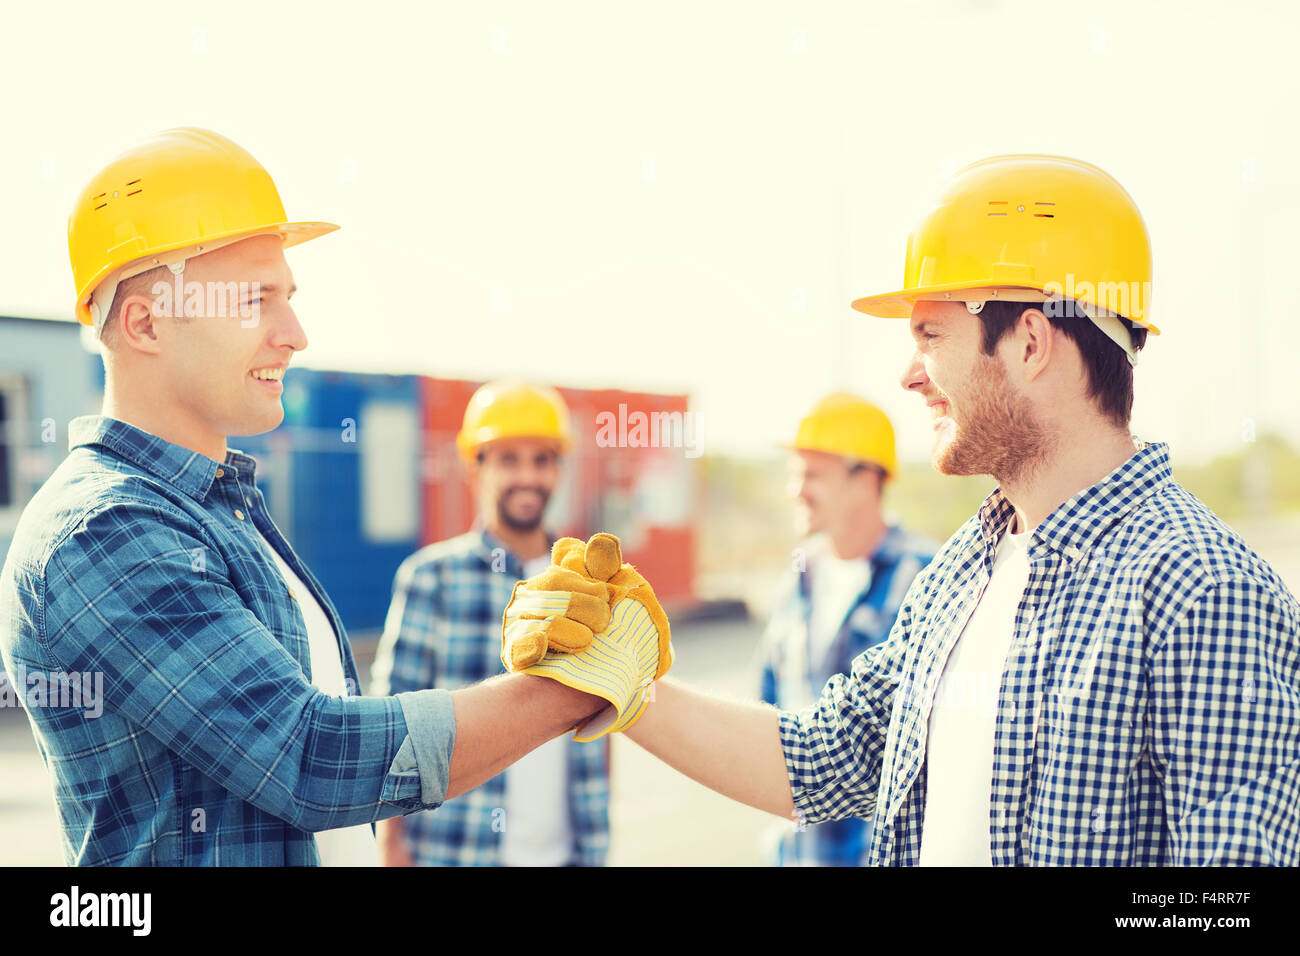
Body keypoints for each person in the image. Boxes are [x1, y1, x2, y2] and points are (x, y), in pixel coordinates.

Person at [505, 154, 1300, 865]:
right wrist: (624, 684)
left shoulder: (1207, 594)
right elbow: (821, 761)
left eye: (929, 334)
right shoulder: (962, 572)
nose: (909, 376)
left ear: (1030, 343)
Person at [0, 128, 662, 865]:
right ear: (146, 322)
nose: (296, 334)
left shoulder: (222, 510)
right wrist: (578, 684)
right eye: (256, 299)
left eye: (289, 299)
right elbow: (310, 760)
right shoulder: (104, 530)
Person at [369, 381, 610, 867]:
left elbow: (605, 724)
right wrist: (391, 846)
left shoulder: (588, 586)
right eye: (508, 459)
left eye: (541, 460)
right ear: (473, 468)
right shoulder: (431, 579)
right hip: (456, 852)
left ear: (559, 470)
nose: (528, 476)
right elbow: (392, 724)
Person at [757, 392, 934, 865]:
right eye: (796, 473)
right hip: (798, 852)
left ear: (866, 479)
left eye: (813, 475)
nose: (797, 489)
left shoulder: (928, 579)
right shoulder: (796, 579)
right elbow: (768, 705)